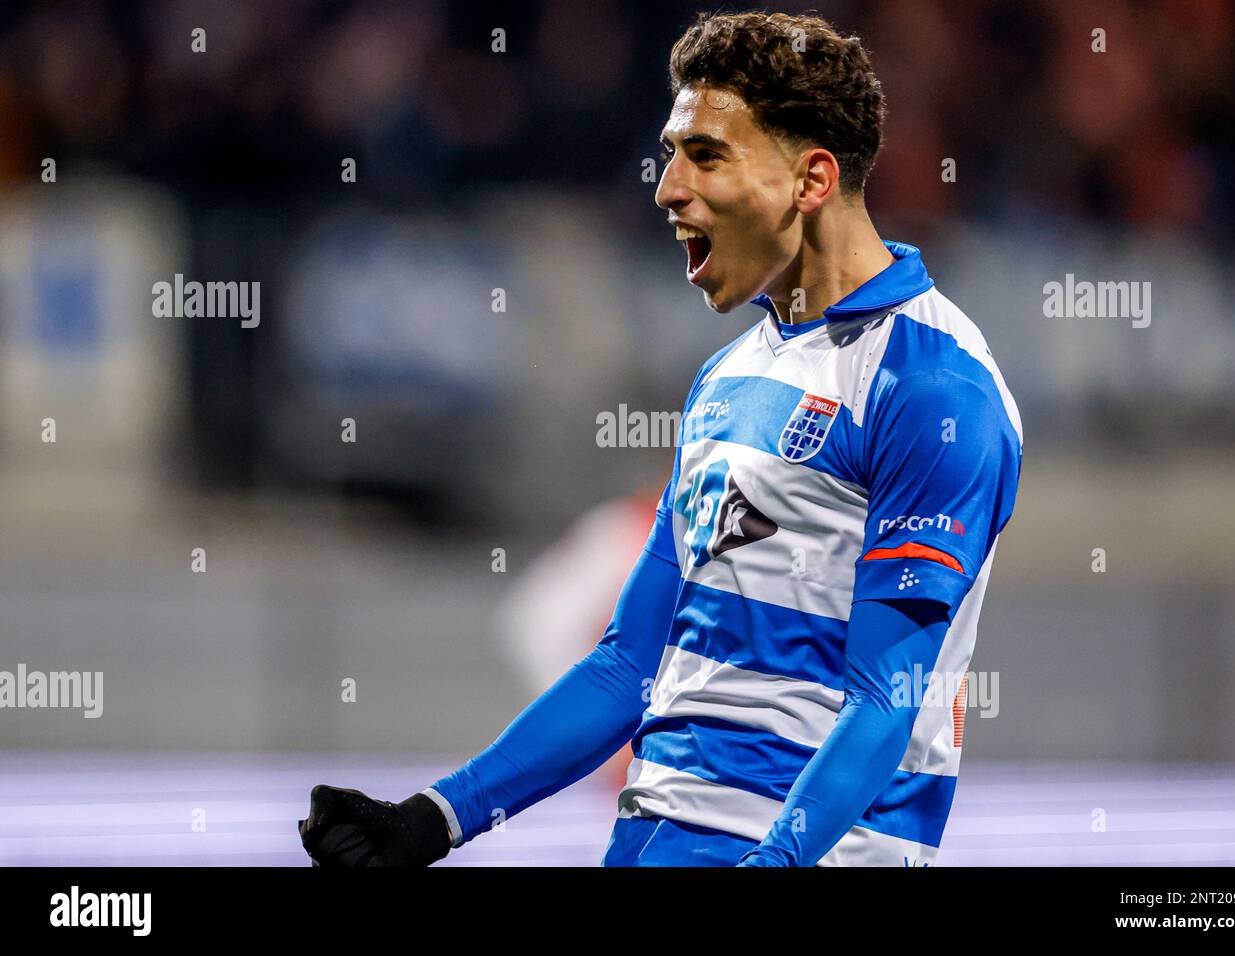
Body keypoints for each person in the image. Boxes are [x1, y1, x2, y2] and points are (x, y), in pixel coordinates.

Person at [300, 9, 1022, 868]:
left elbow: (886, 694)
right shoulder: (726, 380)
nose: (667, 187)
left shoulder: (933, 387)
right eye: (673, 152)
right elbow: (630, 664)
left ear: (812, 179)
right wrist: (432, 818)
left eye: (705, 155)